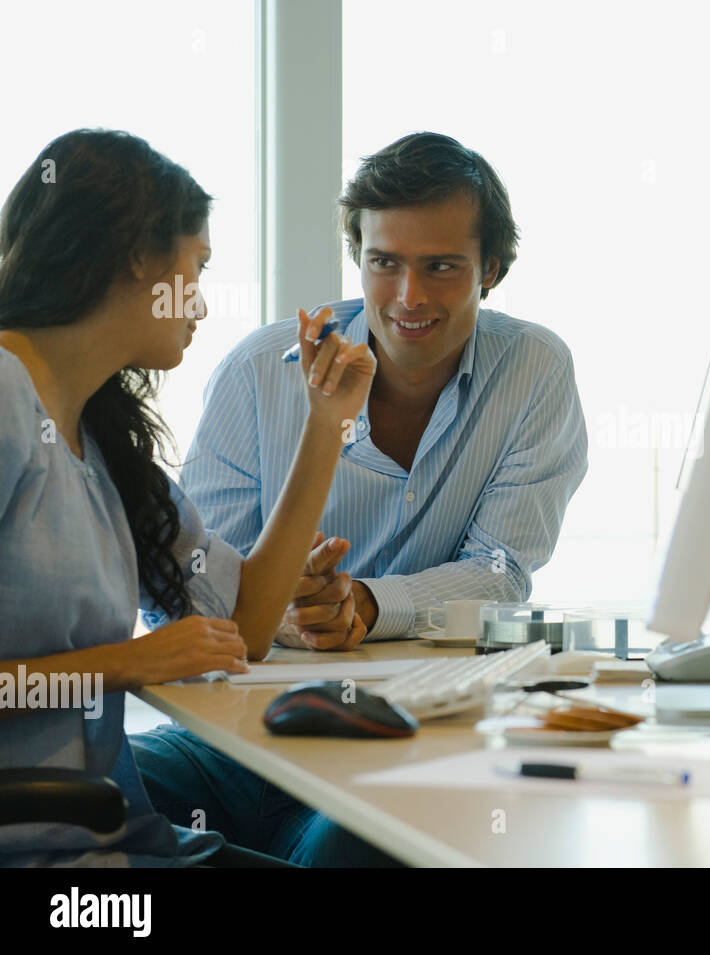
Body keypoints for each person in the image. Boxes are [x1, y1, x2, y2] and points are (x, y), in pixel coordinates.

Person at [130, 131, 588, 866]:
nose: (409, 297)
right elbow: (187, 594)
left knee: (364, 840)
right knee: (88, 792)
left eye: (441, 267)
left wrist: (366, 605)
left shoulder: (534, 370)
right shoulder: (260, 371)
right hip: (232, 734)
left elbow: (502, 571)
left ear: (490, 271)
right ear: (360, 261)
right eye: (385, 263)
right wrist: (283, 605)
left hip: (398, 741)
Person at [0, 129, 376, 866]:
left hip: (121, 844)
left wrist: (326, 422)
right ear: (140, 255)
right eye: (197, 266)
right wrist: (125, 663)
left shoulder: (99, 432)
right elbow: (138, 658)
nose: (200, 301)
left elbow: (245, 622)